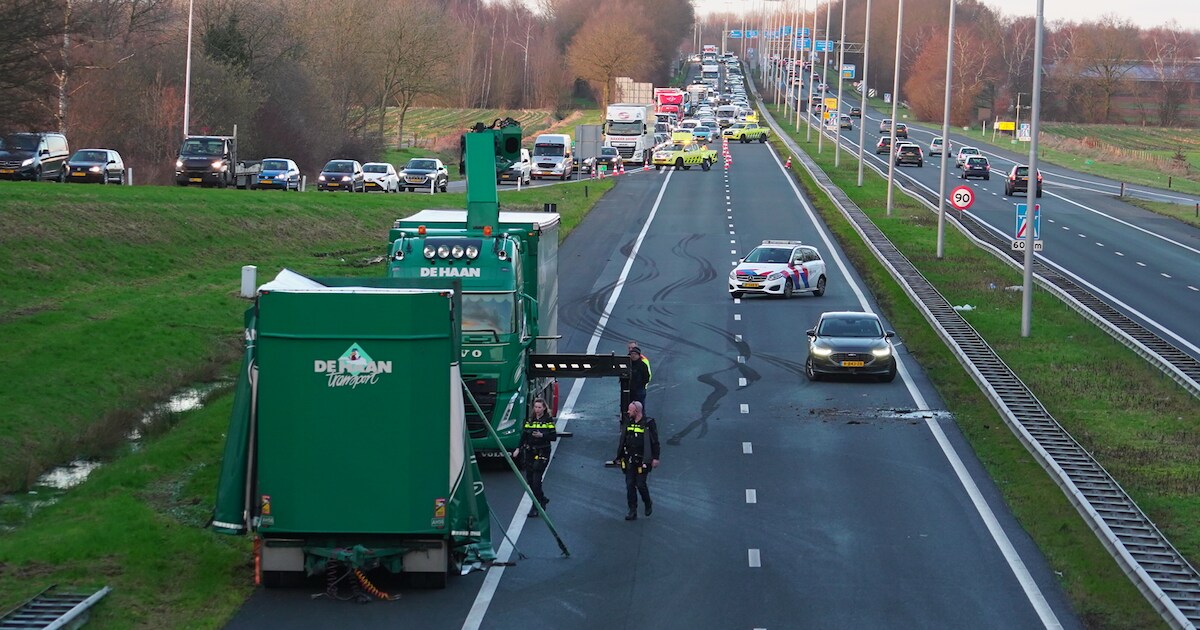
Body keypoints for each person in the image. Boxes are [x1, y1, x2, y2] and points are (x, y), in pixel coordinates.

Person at [513, 398, 556, 518]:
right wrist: (518, 448)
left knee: (537, 481)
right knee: (530, 480)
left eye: (539, 407)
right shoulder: (530, 420)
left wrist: (542, 435)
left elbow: (553, 436)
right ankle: (541, 499)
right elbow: (524, 435)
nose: (537, 410)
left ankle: (535, 506)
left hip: (542, 452)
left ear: (544, 408)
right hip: (530, 453)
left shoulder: (548, 420)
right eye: (535, 407)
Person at [617, 401, 660, 521]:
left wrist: (655, 458)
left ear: (637, 411)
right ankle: (632, 510)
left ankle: (647, 502)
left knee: (640, 484)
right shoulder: (628, 422)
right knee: (630, 485)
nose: (628, 412)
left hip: (643, 460)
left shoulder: (648, 423)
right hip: (629, 459)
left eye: (630, 410)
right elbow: (623, 440)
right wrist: (620, 457)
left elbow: (655, 442)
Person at [629, 347, 651, 412]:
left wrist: (641, 384)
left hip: (640, 390)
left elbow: (646, 377)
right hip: (629, 390)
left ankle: (641, 419)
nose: (633, 356)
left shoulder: (643, 365)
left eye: (635, 354)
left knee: (639, 407)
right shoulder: (628, 364)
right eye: (632, 354)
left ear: (638, 355)